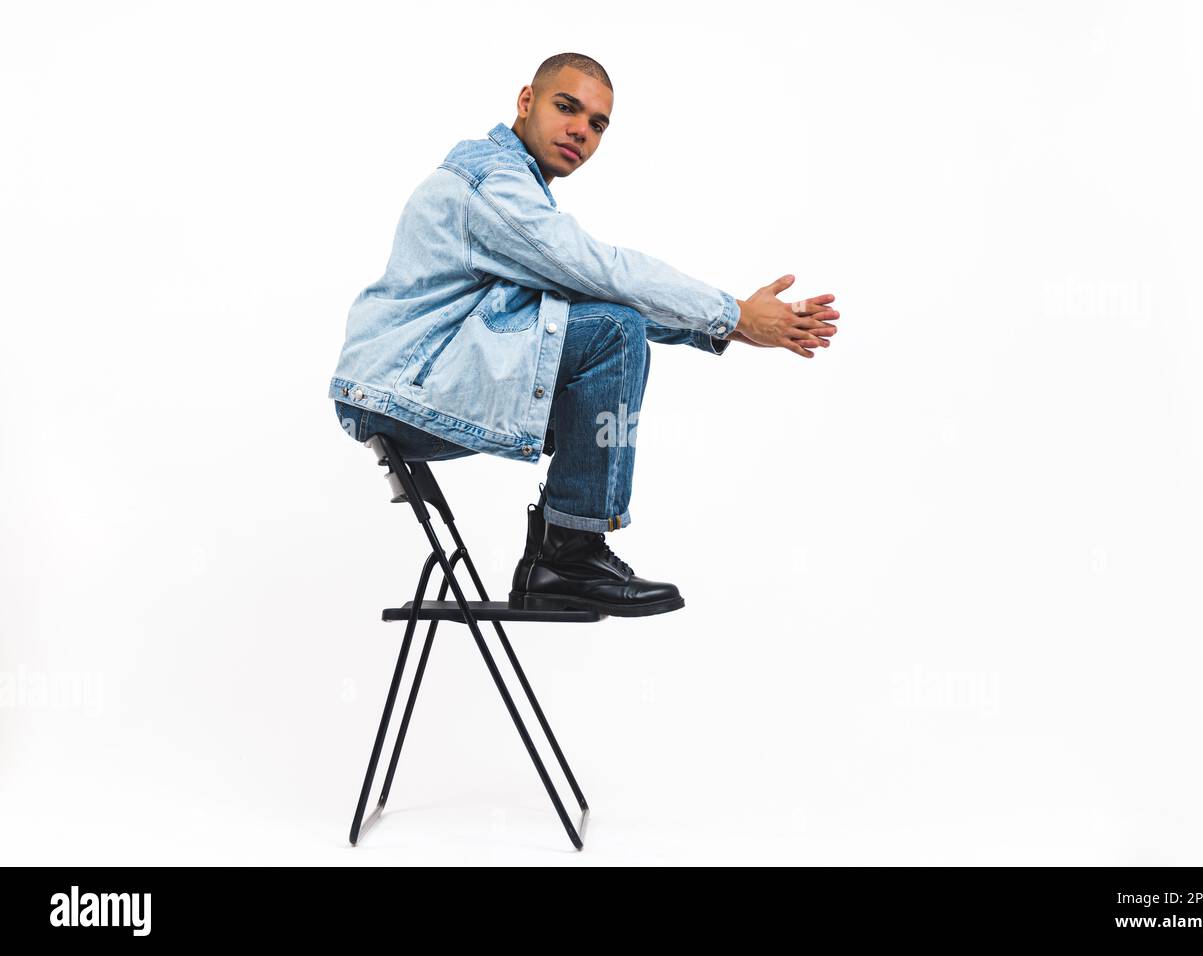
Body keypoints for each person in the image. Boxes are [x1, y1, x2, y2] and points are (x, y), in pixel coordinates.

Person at [328, 52, 840, 617]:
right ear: (527, 102)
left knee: (606, 332)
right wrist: (732, 313)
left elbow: (580, 292)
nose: (581, 131)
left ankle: (562, 551)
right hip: (400, 390)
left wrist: (725, 328)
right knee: (614, 334)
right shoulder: (491, 182)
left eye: (597, 124)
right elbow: (600, 270)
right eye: (566, 107)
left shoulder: (512, 187)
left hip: (409, 386)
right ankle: (571, 551)